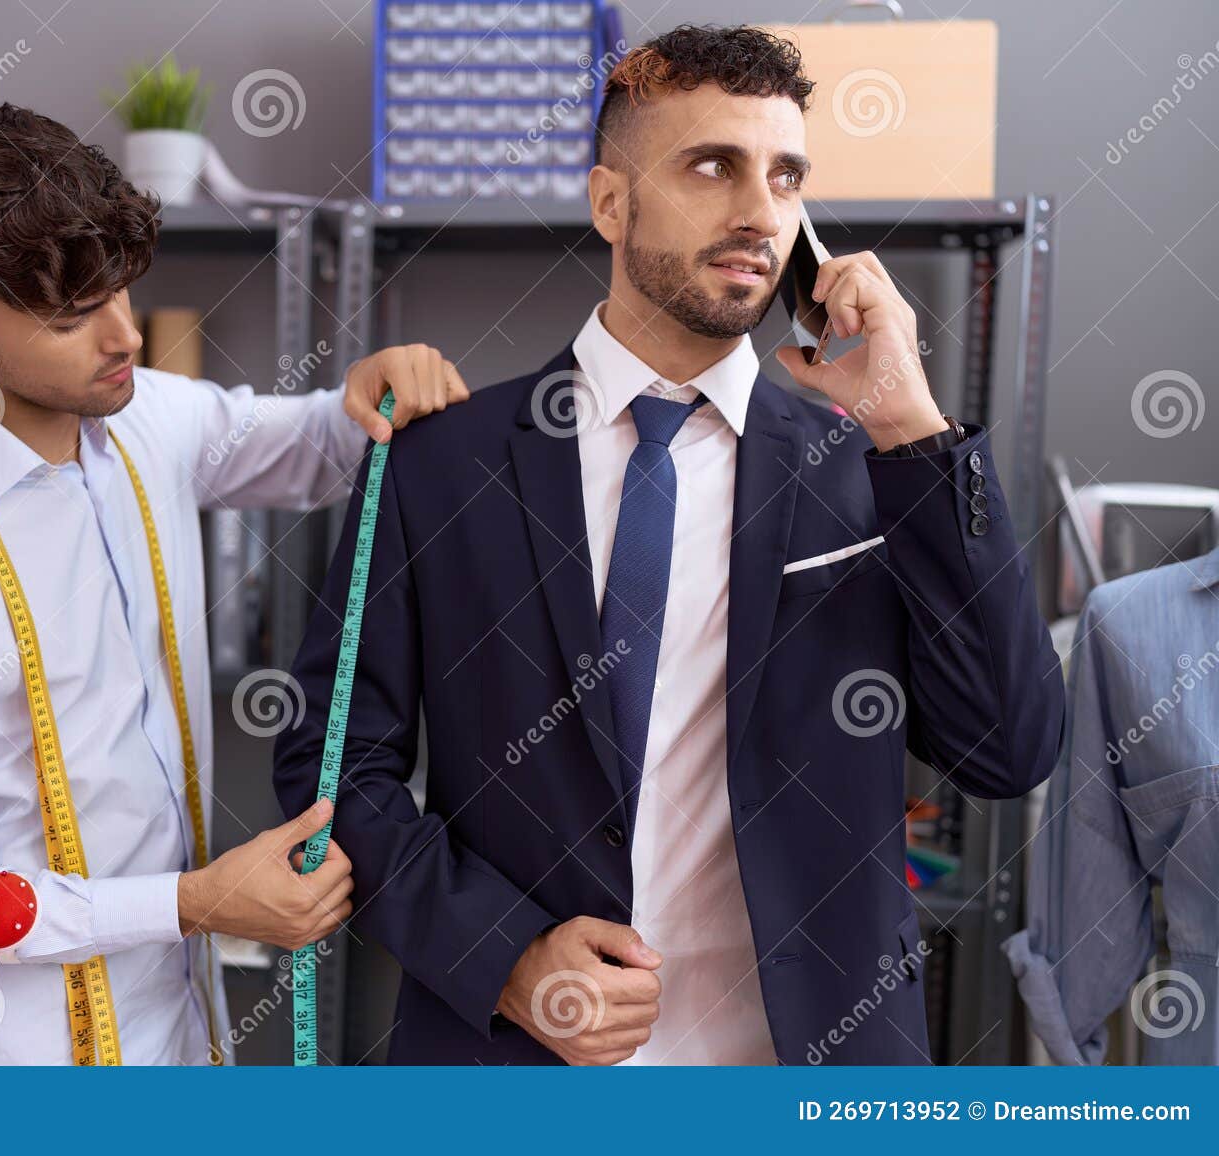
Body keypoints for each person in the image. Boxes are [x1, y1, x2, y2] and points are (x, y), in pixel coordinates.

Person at [275, 25, 1065, 1065]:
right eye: (711, 166)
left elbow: (1006, 749)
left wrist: (909, 424)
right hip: (515, 1062)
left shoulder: (873, 467)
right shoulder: (441, 461)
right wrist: (505, 956)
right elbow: (334, 769)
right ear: (611, 201)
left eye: (785, 177)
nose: (758, 213)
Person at [0, 102, 469, 1065]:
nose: (126, 340)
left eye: (122, 294)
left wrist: (376, 385)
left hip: (182, 1031)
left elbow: (315, 444)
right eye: (73, 318)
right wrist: (188, 904)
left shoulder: (144, 421)